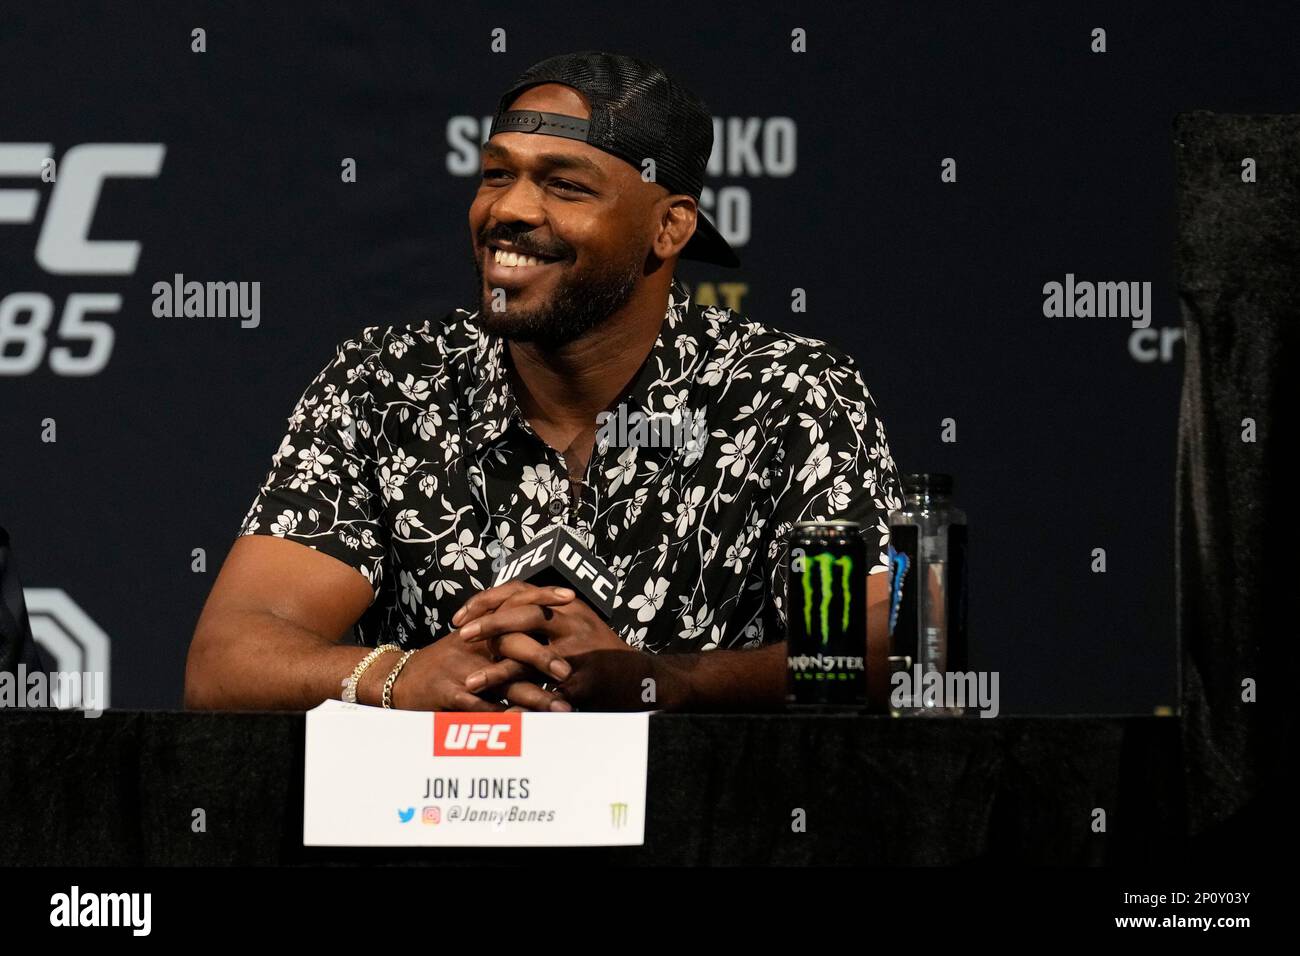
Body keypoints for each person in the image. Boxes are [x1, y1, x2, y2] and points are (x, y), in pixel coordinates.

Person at [184, 51, 901, 714]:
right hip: (432, 834)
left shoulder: (785, 394)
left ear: (670, 228)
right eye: (498, 174)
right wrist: (398, 675)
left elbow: (880, 644)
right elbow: (225, 660)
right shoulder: (386, 386)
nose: (510, 210)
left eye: (564, 185)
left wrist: (666, 680)